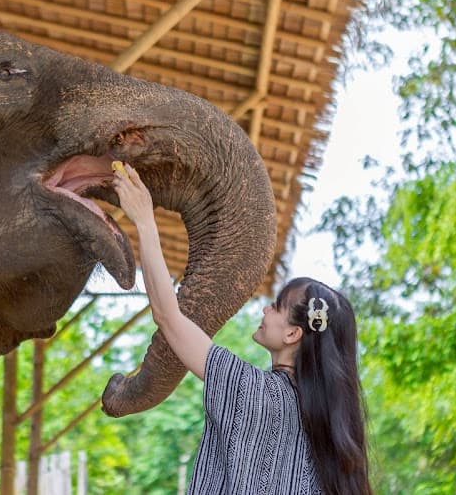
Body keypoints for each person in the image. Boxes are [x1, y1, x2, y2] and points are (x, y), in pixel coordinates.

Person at [112, 163, 372, 495]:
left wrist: (145, 221)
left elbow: (169, 317)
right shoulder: (326, 430)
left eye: (277, 306)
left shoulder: (253, 391)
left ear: (294, 334)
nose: (266, 309)